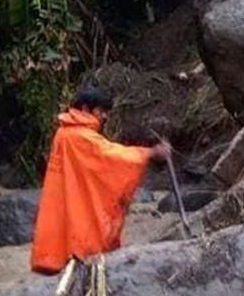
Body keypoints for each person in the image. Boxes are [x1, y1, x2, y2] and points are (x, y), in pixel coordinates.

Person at [30, 86, 171, 275]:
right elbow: (112, 157)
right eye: (101, 111)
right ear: (86, 109)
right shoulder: (80, 136)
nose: (105, 116)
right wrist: (152, 153)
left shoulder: (65, 133)